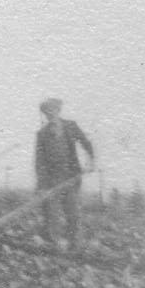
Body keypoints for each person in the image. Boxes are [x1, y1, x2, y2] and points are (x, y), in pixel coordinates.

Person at [35, 98, 95, 250]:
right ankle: (55, 245)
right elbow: (39, 162)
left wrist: (91, 160)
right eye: (47, 112)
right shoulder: (42, 134)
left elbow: (86, 143)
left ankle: (74, 245)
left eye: (53, 110)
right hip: (51, 180)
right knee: (52, 214)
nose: (50, 114)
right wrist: (42, 186)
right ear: (45, 114)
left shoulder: (70, 126)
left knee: (72, 211)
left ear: (58, 110)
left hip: (71, 177)